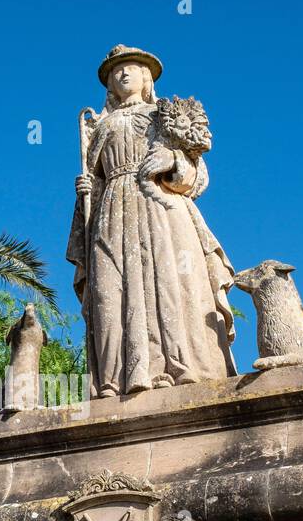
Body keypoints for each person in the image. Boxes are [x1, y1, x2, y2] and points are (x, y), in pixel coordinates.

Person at [66, 45, 238, 398]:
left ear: (147, 77)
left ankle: (176, 367)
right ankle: (116, 379)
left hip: (160, 207)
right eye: (116, 72)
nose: (123, 74)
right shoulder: (100, 126)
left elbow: (198, 179)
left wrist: (173, 160)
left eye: (130, 68)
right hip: (112, 211)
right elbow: (93, 185)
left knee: (168, 283)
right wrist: (87, 190)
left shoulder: (163, 116)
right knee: (110, 291)